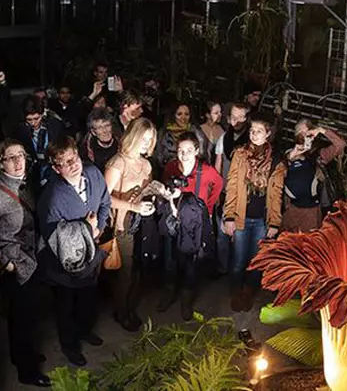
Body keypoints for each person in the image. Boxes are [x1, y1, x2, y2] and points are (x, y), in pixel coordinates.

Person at [0, 139, 49, 387]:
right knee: (24, 318)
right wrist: (7, 262)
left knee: (26, 316)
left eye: (21, 156)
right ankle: (28, 371)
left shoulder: (22, 184)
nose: (18, 162)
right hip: (15, 265)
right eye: (11, 157)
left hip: (31, 258)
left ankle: (21, 356)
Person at [37, 137, 111, 367]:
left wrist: (97, 227)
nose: (74, 164)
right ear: (56, 168)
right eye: (66, 162)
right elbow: (53, 236)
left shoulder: (93, 175)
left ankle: (85, 330)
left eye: (75, 158)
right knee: (66, 305)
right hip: (64, 264)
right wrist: (88, 229)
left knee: (88, 298)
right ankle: (69, 345)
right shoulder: (52, 197)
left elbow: (105, 203)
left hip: (90, 257)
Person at [157, 132, 223, 320]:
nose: (184, 154)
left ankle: (187, 299)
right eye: (180, 150)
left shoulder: (206, 170)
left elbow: (218, 185)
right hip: (174, 221)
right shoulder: (171, 168)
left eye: (188, 150)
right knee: (170, 260)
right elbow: (163, 186)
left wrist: (208, 208)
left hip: (195, 224)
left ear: (196, 150)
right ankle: (168, 293)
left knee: (192, 262)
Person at [222, 112, 284, 312]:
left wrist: (274, 222)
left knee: (256, 261)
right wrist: (229, 216)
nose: (254, 134)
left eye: (259, 131)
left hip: (261, 221)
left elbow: (276, 194)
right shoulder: (240, 155)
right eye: (252, 130)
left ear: (268, 134)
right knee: (238, 260)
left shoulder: (276, 161)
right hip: (241, 217)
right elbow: (231, 186)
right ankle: (234, 292)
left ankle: (247, 293)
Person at [103, 118, 159, 332]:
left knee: (138, 268)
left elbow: (148, 191)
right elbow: (103, 198)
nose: (147, 143)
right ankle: (122, 312)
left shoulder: (146, 164)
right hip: (122, 225)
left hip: (143, 223)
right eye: (144, 138)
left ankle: (129, 306)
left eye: (151, 139)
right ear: (133, 136)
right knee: (125, 272)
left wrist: (159, 195)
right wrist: (133, 207)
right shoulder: (118, 162)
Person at [281, 120, 346, 232]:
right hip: (291, 208)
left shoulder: (319, 155)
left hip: (311, 210)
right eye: (298, 131)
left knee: (308, 242)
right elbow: (277, 170)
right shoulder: (289, 153)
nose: (301, 133)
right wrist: (292, 156)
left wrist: (321, 130)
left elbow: (340, 144)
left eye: (304, 130)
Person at [213, 103, 250, 277]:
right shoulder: (224, 139)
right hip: (226, 192)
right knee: (222, 235)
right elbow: (218, 166)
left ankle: (238, 271)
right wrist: (218, 191)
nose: (236, 121)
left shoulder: (252, 140)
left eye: (241, 117)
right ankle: (222, 268)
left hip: (245, 195)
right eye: (233, 117)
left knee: (240, 235)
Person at [13, 94, 65, 198]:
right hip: (34, 173)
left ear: (42, 114)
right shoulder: (20, 130)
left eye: (36, 118)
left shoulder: (55, 125)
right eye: (29, 120)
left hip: (54, 170)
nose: (33, 123)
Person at [156, 102, 209, 170]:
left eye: (186, 114)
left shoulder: (196, 132)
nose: (183, 117)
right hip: (168, 170)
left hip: (191, 171)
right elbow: (159, 155)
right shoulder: (164, 132)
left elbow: (202, 154)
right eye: (179, 114)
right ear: (173, 115)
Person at [80, 107, 119, 173]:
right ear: (93, 132)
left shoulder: (121, 142)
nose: (105, 130)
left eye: (107, 125)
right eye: (100, 128)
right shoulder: (86, 150)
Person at [199, 101, 225, 166]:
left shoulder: (223, 129)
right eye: (216, 113)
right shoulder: (197, 130)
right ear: (207, 115)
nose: (220, 115)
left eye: (220, 112)